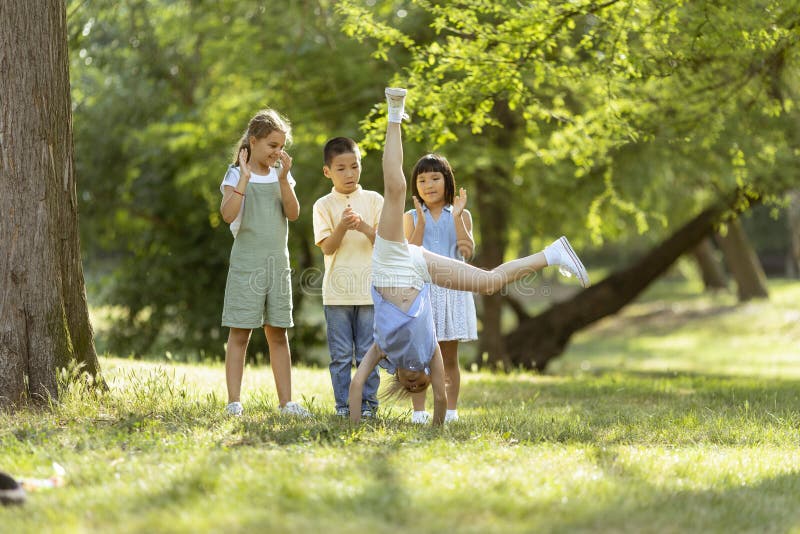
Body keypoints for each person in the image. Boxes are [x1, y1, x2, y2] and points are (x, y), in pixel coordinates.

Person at [348, 88, 590, 425]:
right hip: (419, 267)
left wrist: (355, 427)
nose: (417, 377)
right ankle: (552, 253)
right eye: (422, 382)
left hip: (390, 262)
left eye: (411, 381)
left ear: (398, 378)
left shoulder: (382, 350)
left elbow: (357, 383)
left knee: (396, 190)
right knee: (489, 283)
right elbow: (442, 396)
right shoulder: (428, 350)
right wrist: (437, 423)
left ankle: (394, 113)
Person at [219, 108, 310, 418]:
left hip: (276, 266)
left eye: (281, 147)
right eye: (272, 146)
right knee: (240, 333)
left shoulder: (280, 175)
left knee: (278, 333)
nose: (277, 152)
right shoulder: (235, 175)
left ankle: (286, 403)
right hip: (247, 264)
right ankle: (234, 402)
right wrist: (244, 178)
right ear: (253, 142)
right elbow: (228, 215)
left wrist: (284, 179)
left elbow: (294, 213)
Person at [313, 137, 383, 418]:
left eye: (354, 166)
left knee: (369, 354)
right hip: (337, 293)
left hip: (370, 292)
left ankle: (368, 406)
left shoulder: (374, 200)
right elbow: (327, 247)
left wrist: (364, 226)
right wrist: (342, 226)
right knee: (341, 356)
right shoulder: (323, 205)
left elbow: (386, 243)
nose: (350, 174)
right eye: (341, 168)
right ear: (327, 171)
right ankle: (344, 406)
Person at [404, 154, 477, 424]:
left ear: (448, 181)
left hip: (452, 292)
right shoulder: (410, 216)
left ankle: (451, 412)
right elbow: (410, 254)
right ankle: (419, 412)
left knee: (448, 357)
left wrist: (457, 217)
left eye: (435, 178)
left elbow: (467, 252)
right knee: (418, 355)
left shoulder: (461, 213)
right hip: (422, 292)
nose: (428, 184)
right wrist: (421, 223)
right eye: (422, 180)